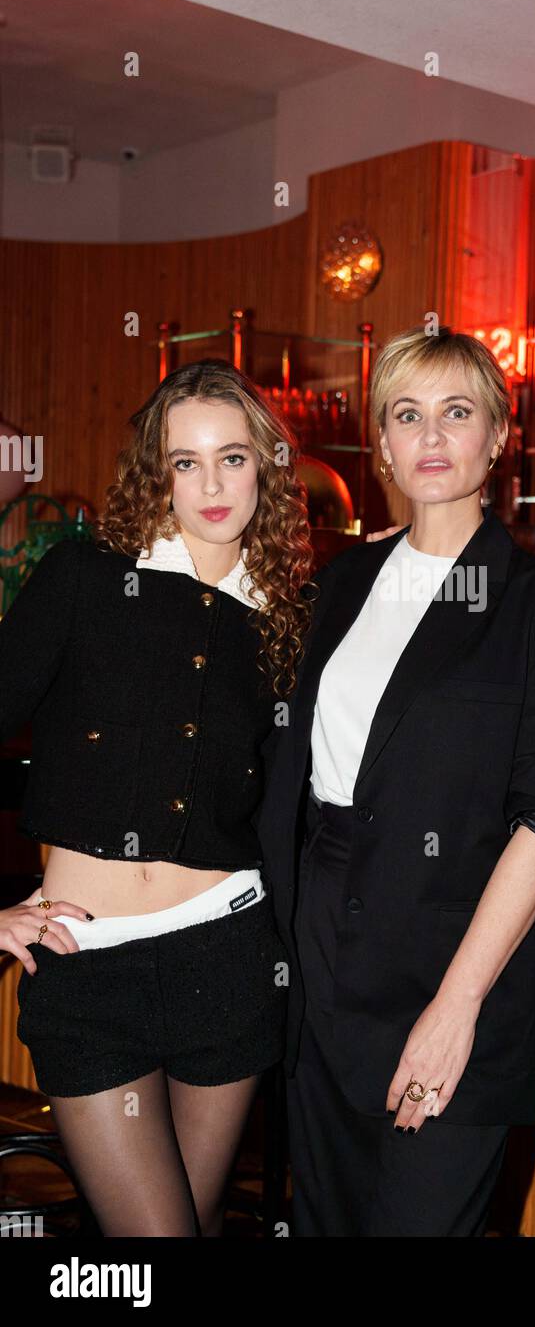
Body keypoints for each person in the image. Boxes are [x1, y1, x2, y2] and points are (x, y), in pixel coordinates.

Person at [256, 326, 535, 1236]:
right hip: (321, 966)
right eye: (408, 415)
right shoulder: (342, 581)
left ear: (497, 438)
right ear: (383, 446)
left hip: (457, 969)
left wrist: (455, 1008)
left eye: (457, 413)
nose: (432, 436)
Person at [0, 359, 313, 1236]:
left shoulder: (290, 621)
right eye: (185, 462)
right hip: (87, 970)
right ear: (156, 471)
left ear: (267, 467)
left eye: (233, 458)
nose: (211, 485)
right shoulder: (84, 581)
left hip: (229, 964)